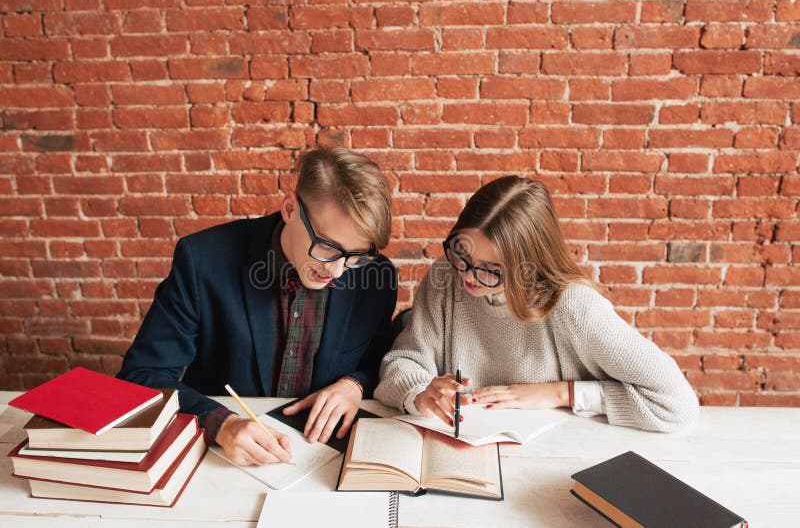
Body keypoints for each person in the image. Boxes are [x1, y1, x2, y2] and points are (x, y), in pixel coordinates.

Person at [118, 147, 397, 465]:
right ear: (290, 209)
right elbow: (142, 375)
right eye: (327, 247)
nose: (336, 271)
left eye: (355, 256)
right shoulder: (202, 259)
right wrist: (220, 424)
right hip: (219, 456)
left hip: (323, 458)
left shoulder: (375, 275)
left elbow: (380, 361)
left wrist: (355, 384)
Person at [375, 176, 698, 433]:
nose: (468, 275)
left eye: (491, 269)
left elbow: (676, 404)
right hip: (461, 445)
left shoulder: (572, 305)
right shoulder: (445, 278)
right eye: (462, 253)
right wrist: (422, 393)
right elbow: (402, 362)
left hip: (553, 454)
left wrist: (561, 393)